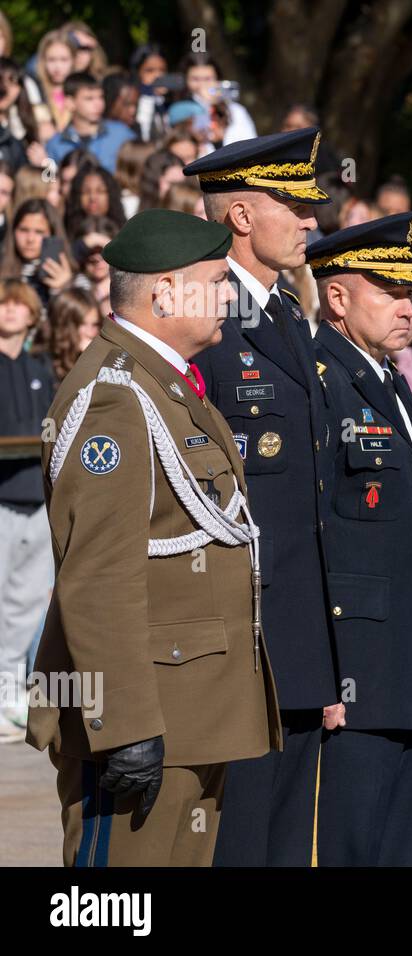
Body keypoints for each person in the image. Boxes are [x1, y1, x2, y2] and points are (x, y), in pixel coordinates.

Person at [28, 208, 280, 866]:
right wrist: (129, 728)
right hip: (147, 722)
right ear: (166, 292)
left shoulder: (163, 386)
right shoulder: (115, 398)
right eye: (216, 279)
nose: (230, 293)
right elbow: (97, 580)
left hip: (193, 714)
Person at [185, 128, 339, 866]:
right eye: (293, 205)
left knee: (287, 836)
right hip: (240, 622)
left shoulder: (287, 313)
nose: (311, 220)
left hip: (302, 618)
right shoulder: (201, 314)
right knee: (238, 835)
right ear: (241, 217)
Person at [308, 211, 412, 865]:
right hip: (355, 664)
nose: (406, 307)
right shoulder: (319, 381)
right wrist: (326, 671)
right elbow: (313, 535)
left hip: (404, 659)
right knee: (349, 843)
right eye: (389, 291)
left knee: (396, 844)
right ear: (336, 296)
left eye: (411, 293)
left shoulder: (387, 378)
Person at [0, 279, 54, 739]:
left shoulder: (43, 367)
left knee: (28, 603)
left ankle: (9, 692)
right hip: (1, 501)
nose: (10, 311)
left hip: (37, 500)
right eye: (3, 303)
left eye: (18, 303)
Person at [42, 72, 135, 173]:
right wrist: (44, 164)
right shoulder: (55, 144)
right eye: (89, 98)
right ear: (70, 103)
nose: (98, 104)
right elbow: (48, 182)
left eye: (100, 97)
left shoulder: (121, 134)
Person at [0, 198, 72, 308]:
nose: (30, 239)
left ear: (53, 235)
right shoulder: (2, 269)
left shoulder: (74, 279)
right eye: (24, 230)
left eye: (39, 232)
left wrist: (63, 291)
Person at [178, 53, 256, 144]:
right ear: (186, 81)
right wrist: (206, 105)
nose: (202, 85)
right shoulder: (179, 110)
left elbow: (249, 142)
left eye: (207, 79)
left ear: (218, 79)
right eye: (195, 79)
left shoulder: (236, 110)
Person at [33, 285, 101, 382]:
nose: (90, 332)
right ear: (64, 326)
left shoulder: (100, 358)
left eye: (95, 324)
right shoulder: (41, 364)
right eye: (82, 324)